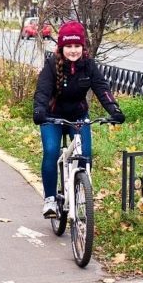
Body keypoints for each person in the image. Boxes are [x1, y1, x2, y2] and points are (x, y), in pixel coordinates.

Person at [32, 21, 125, 218]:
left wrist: (114, 109)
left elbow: (102, 88)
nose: (73, 50)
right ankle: (50, 199)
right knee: (50, 151)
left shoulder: (88, 66)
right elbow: (42, 92)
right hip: (52, 117)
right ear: (61, 47)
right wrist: (39, 111)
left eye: (77, 46)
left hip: (78, 117)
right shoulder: (51, 65)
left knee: (86, 155)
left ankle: (80, 193)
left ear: (83, 47)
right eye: (69, 46)